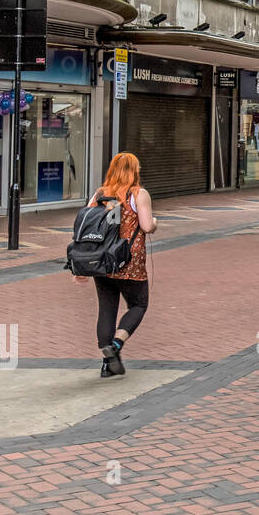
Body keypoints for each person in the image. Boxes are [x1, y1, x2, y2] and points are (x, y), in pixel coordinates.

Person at [72, 152, 158, 378]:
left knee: (107, 309)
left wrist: (78, 265)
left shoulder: (99, 195)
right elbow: (147, 226)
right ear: (135, 171)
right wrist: (156, 221)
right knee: (139, 304)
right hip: (129, 260)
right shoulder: (138, 194)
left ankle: (107, 361)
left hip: (102, 261)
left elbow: (85, 228)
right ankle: (117, 344)